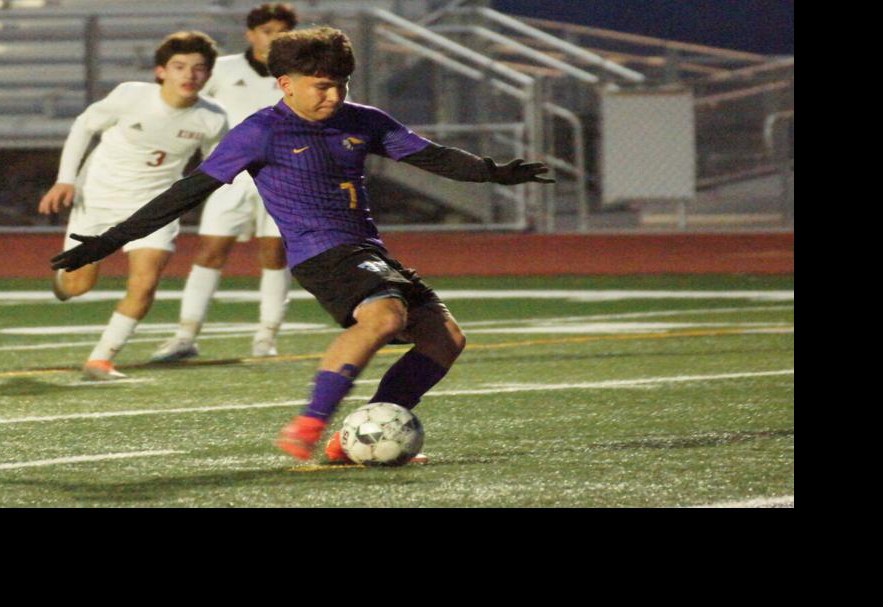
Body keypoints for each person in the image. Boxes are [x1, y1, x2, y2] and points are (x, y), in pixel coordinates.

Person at [52, 26, 551, 460]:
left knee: (446, 339)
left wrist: (493, 172)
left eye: (341, 85)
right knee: (384, 316)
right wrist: (109, 241)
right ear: (285, 84)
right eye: (322, 87)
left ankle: (353, 440)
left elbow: (431, 156)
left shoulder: (364, 120)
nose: (333, 96)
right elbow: (188, 192)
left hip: (365, 247)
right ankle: (310, 424)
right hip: (320, 252)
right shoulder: (260, 132)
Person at [39, 32, 228, 380]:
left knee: (145, 282)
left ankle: (101, 359)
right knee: (78, 286)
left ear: (208, 75)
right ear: (161, 71)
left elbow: (214, 168)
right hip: (98, 199)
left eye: (199, 69)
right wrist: (65, 179)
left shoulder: (213, 118)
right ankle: (63, 283)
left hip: (154, 209)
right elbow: (84, 126)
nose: (189, 75)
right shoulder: (130, 96)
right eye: (179, 66)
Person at [149, 2, 294, 363]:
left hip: (284, 178)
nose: (274, 38)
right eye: (267, 31)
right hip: (229, 176)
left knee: (274, 254)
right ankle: (185, 335)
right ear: (251, 34)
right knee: (210, 250)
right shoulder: (222, 70)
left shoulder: (301, 72)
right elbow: (186, 101)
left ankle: (265, 337)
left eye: (282, 31)